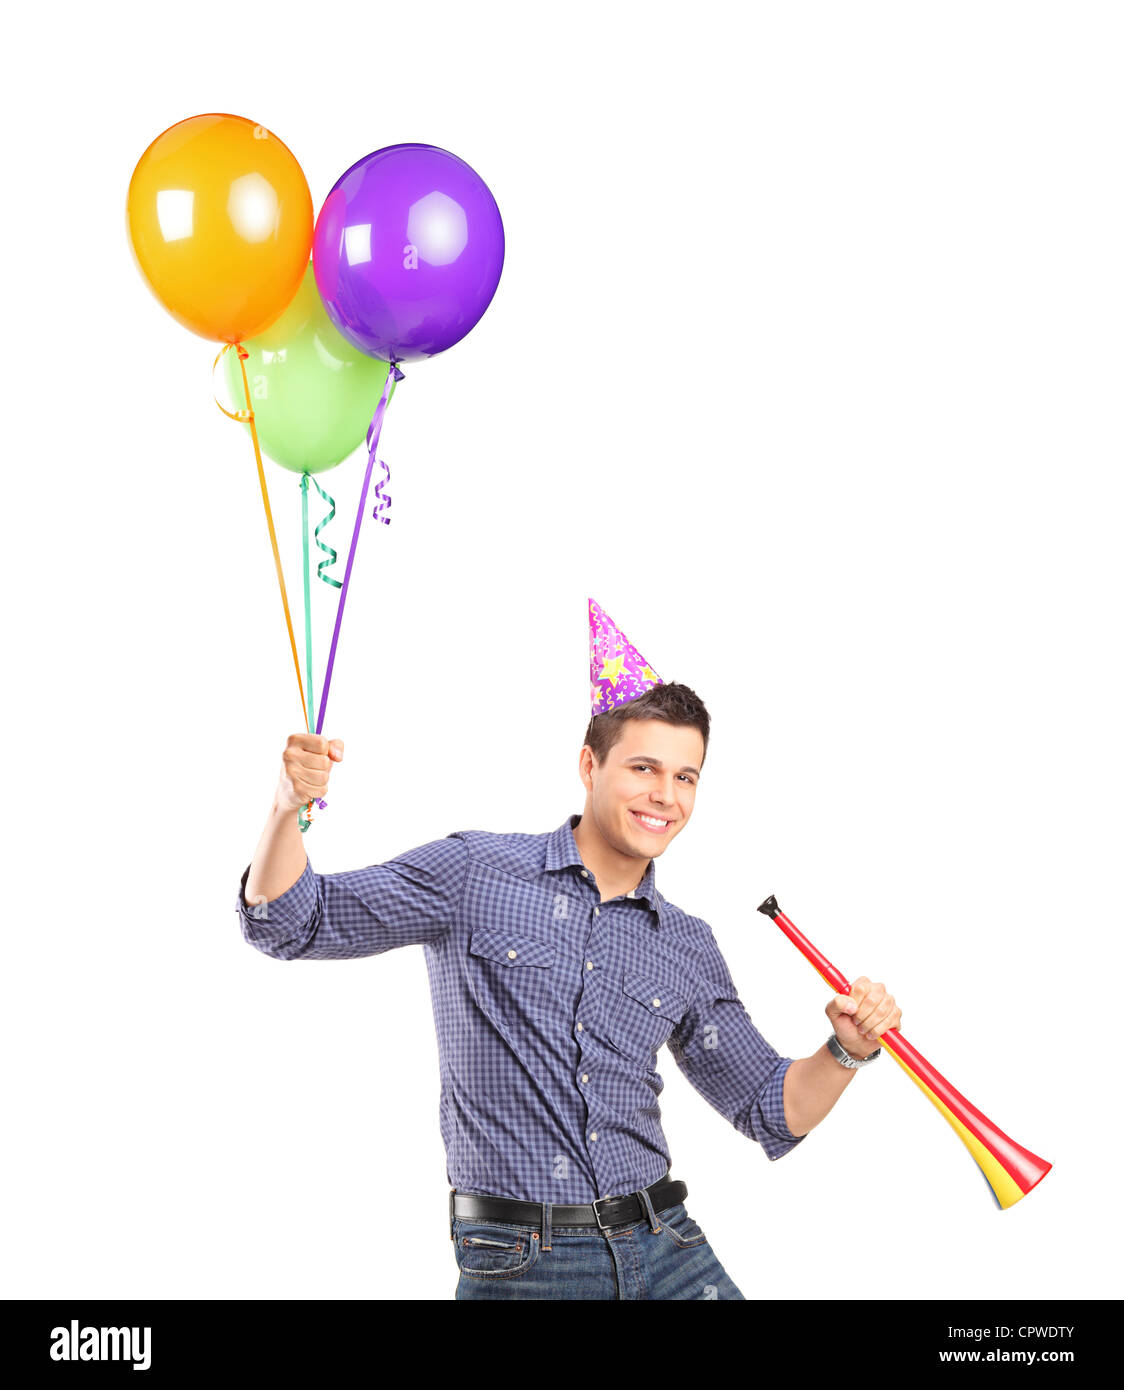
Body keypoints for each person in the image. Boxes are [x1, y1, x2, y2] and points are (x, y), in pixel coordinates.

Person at [237, 600, 902, 1300]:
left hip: (666, 1244)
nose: (665, 796)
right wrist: (287, 806)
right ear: (589, 764)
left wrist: (848, 1048)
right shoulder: (475, 874)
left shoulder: (685, 944)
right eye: (644, 767)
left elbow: (773, 1108)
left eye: (686, 776)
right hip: (524, 1261)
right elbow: (291, 921)